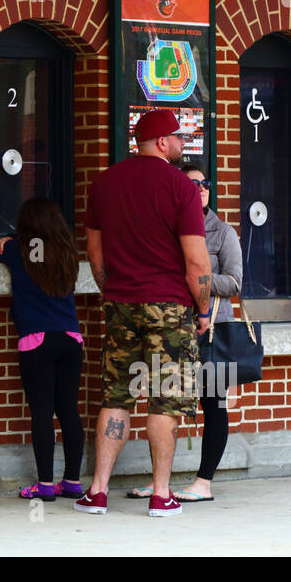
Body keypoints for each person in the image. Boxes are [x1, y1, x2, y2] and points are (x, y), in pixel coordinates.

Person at [75, 108, 213, 518]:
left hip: (121, 305)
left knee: (116, 395)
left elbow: (95, 255)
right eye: (177, 138)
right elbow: (197, 264)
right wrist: (202, 309)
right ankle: (161, 495)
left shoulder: (105, 183)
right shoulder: (181, 188)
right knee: (165, 401)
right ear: (160, 141)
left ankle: (97, 491)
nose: (182, 144)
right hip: (169, 309)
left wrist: (114, 292)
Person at [128, 162, 242, 503]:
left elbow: (235, 282)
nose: (201, 188)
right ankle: (160, 483)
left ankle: (203, 482)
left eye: (205, 183)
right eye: (192, 184)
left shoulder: (223, 233)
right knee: (165, 404)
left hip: (214, 332)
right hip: (171, 329)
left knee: (214, 404)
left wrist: (196, 277)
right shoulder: (166, 229)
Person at [0, 198, 85, 502]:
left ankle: (44, 485)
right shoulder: (67, 252)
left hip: (37, 340)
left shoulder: (18, 251)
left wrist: (4, 241)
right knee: (69, 410)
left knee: (42, 413)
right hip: (71, 338)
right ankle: (72, 481)